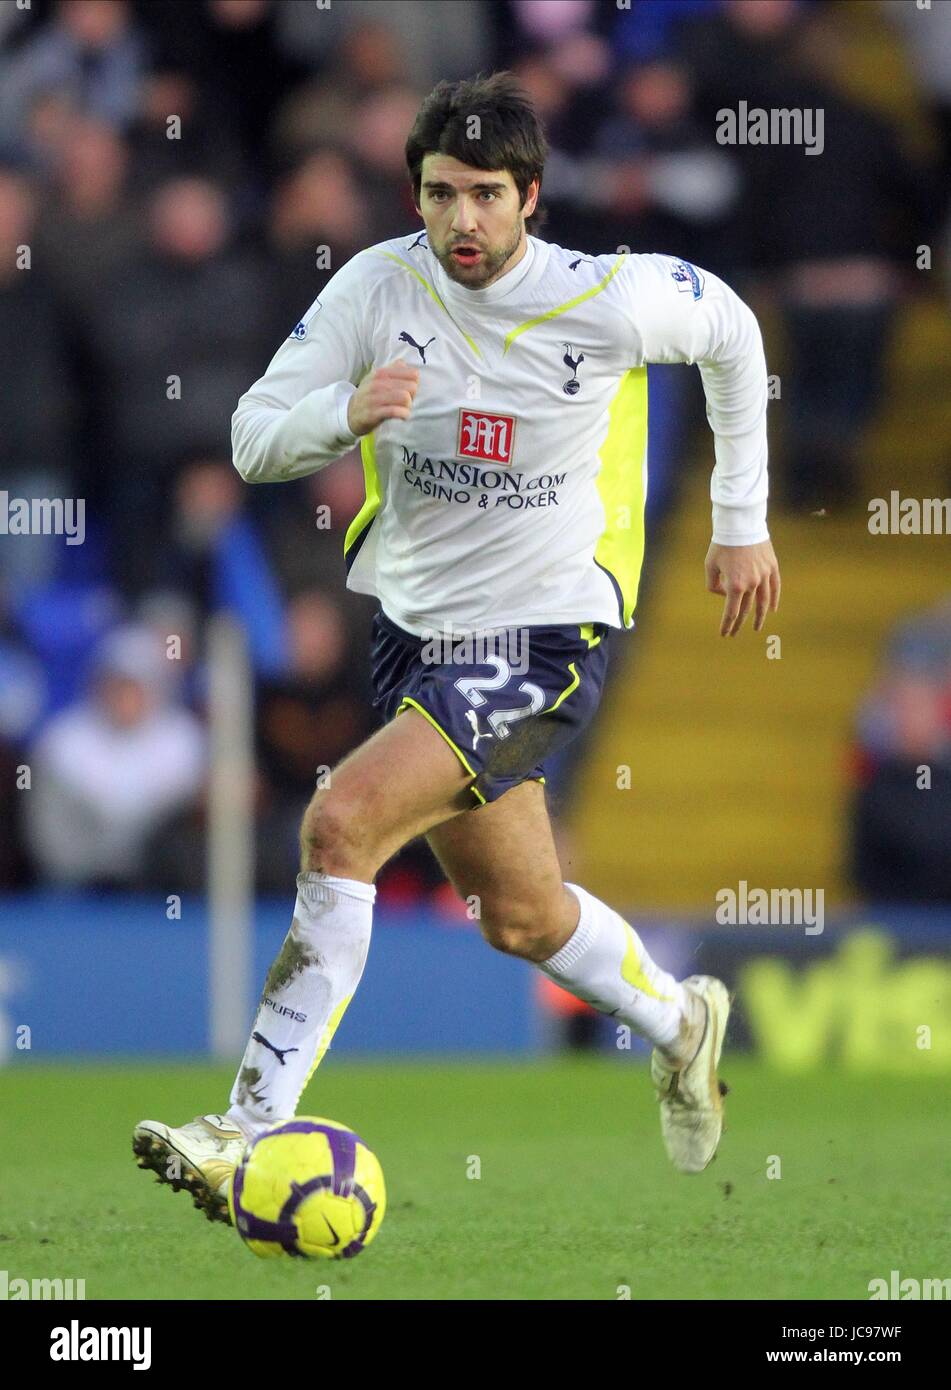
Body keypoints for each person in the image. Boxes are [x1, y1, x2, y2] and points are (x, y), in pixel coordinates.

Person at [134, 72, 780, 1221]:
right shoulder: (376, 289)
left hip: (547, 629)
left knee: (341, 821)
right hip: (413, 634)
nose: (462, 221)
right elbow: (248, 439)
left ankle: (244, 1129)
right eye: (439, 193)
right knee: (520, 916)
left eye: (486, 194)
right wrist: (348, 414)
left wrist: (739, 524)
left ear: (529, 197)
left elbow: (732, 333)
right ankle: (684, 1021)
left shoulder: (609, 298)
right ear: (415, 195)